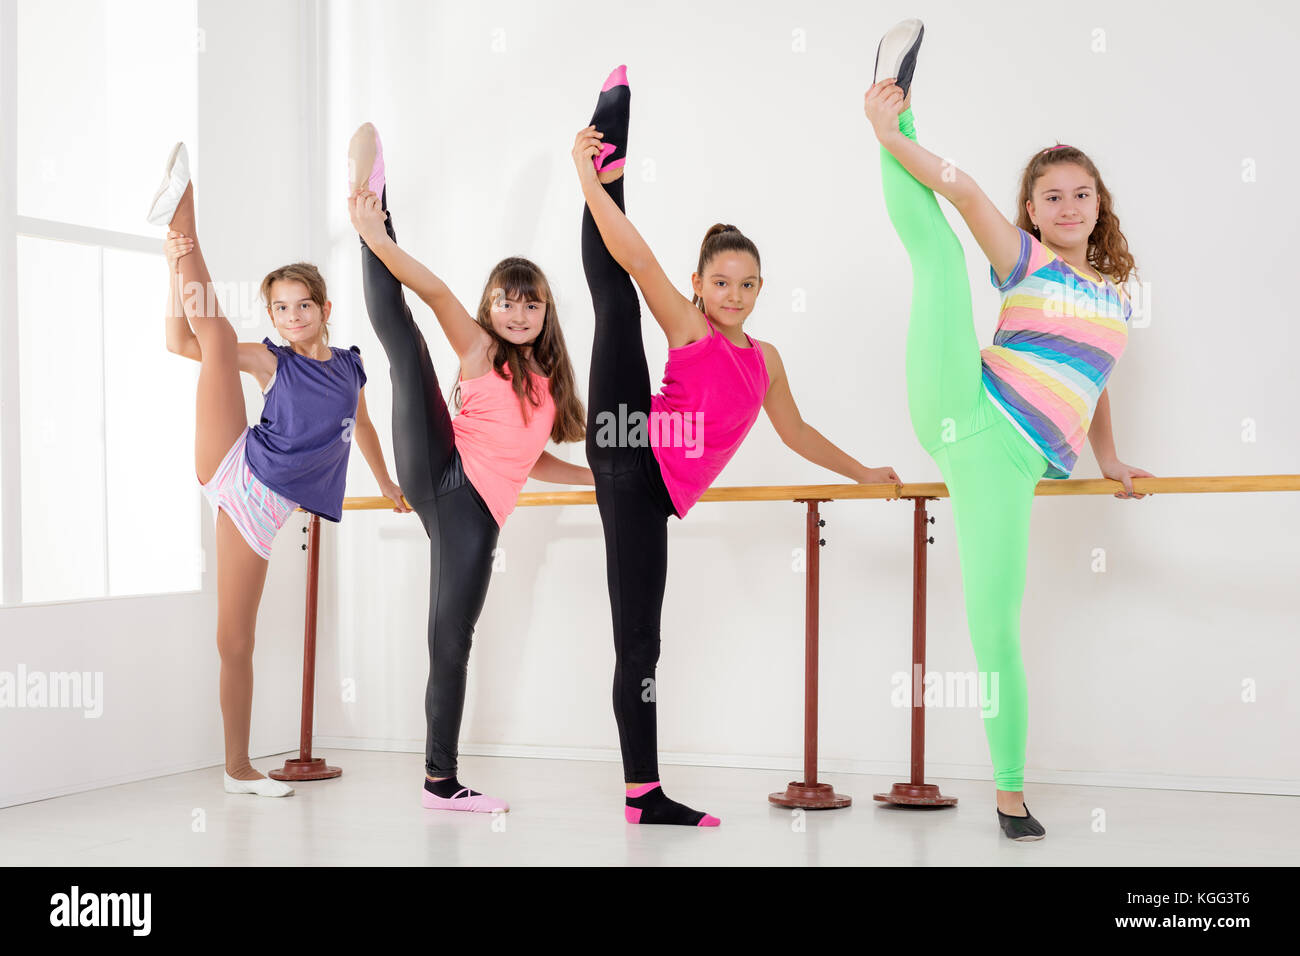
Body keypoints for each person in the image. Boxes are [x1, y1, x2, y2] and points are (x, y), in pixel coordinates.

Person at [574, 67, 902, 826]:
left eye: (748, 285)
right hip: (628, 452)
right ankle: (601, 157)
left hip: (652, 488)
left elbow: (793, 432)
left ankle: (642, 793)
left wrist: (859, 470)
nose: (735, 295)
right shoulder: (690, 329)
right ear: (701, 284)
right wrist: (586, 186)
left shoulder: (765, 360)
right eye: (722, 282)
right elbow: (643, 261)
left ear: (760, 289)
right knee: (618, 299)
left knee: (641, 641)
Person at [867, 18, 1154, 840]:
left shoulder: (1115, 296)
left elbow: (1094, 384)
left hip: (1014, 463)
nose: (1067, 206)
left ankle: (1008, 792)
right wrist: (899, 137)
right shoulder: (1023, 258)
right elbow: (958, 193)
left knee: (996, 625)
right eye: (1052, 195)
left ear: (1100, 207)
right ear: (1032, 208)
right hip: (965, 403)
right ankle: (889, 112)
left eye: (1081, 194)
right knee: (940, 259)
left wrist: (1110, 457)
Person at [347, 123, 591, 812]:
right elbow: (436, 292)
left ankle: (439, 783)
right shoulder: (481, 351)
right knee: (408, 349)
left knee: (450, 643)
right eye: (507, 300)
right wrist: (381, 238)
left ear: (546, 315)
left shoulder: (546, 383)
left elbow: (531, 459)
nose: (518, 311)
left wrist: (598, 480)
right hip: (441, 467)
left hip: (473, 518)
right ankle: (371, 204)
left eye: (531, 302)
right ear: (492, 308)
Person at [150, 143, 407, 797]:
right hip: (239, 477)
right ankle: (183, 222)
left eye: (302, 306)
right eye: (280, 309)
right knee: (211, 342)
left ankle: (180, 232)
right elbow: (179, 342)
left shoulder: (349, 367)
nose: (291, 318)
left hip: (267, 516)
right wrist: (172, 273)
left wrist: (386, 482)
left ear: (324, 308)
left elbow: (365, 428)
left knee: (236, 640)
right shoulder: (272, 361)